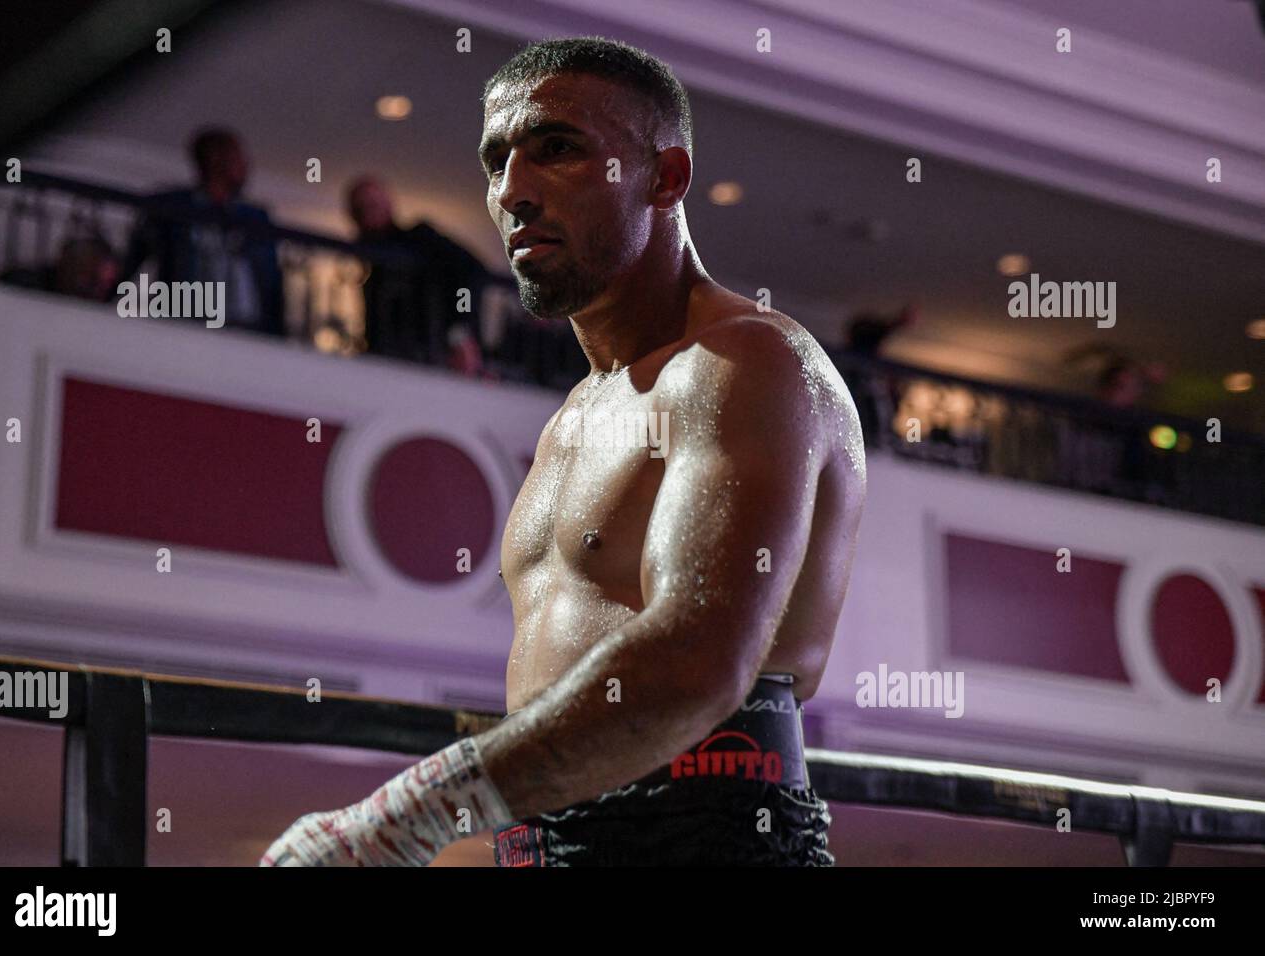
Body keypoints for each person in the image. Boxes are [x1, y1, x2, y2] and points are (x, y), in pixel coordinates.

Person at [258, 35, 867, 866]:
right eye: (496, 159)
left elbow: (698, 660)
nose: (512, 190)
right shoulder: (576, 413)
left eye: (557, 149)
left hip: (707, 834)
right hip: (543, 838)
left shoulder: (742, 362)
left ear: (666, 176)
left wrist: (405, 813)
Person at [121, 127, 284, 336]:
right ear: (215, 159)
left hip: (246, 327)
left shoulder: (256, 218)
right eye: (238, 157)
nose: (246, 165)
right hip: (187, 321)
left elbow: (271, 282)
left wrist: (276, 333)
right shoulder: (173, 206)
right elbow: (136, 255)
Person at [345, 174, 485, 373]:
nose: (368, 213)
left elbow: (470, 269)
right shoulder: (369, 262)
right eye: (361, 208)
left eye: (373, 204)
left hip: (424, 354)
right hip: (383, 357)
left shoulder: (418, 238)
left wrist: (460, 333)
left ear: (388, 205)